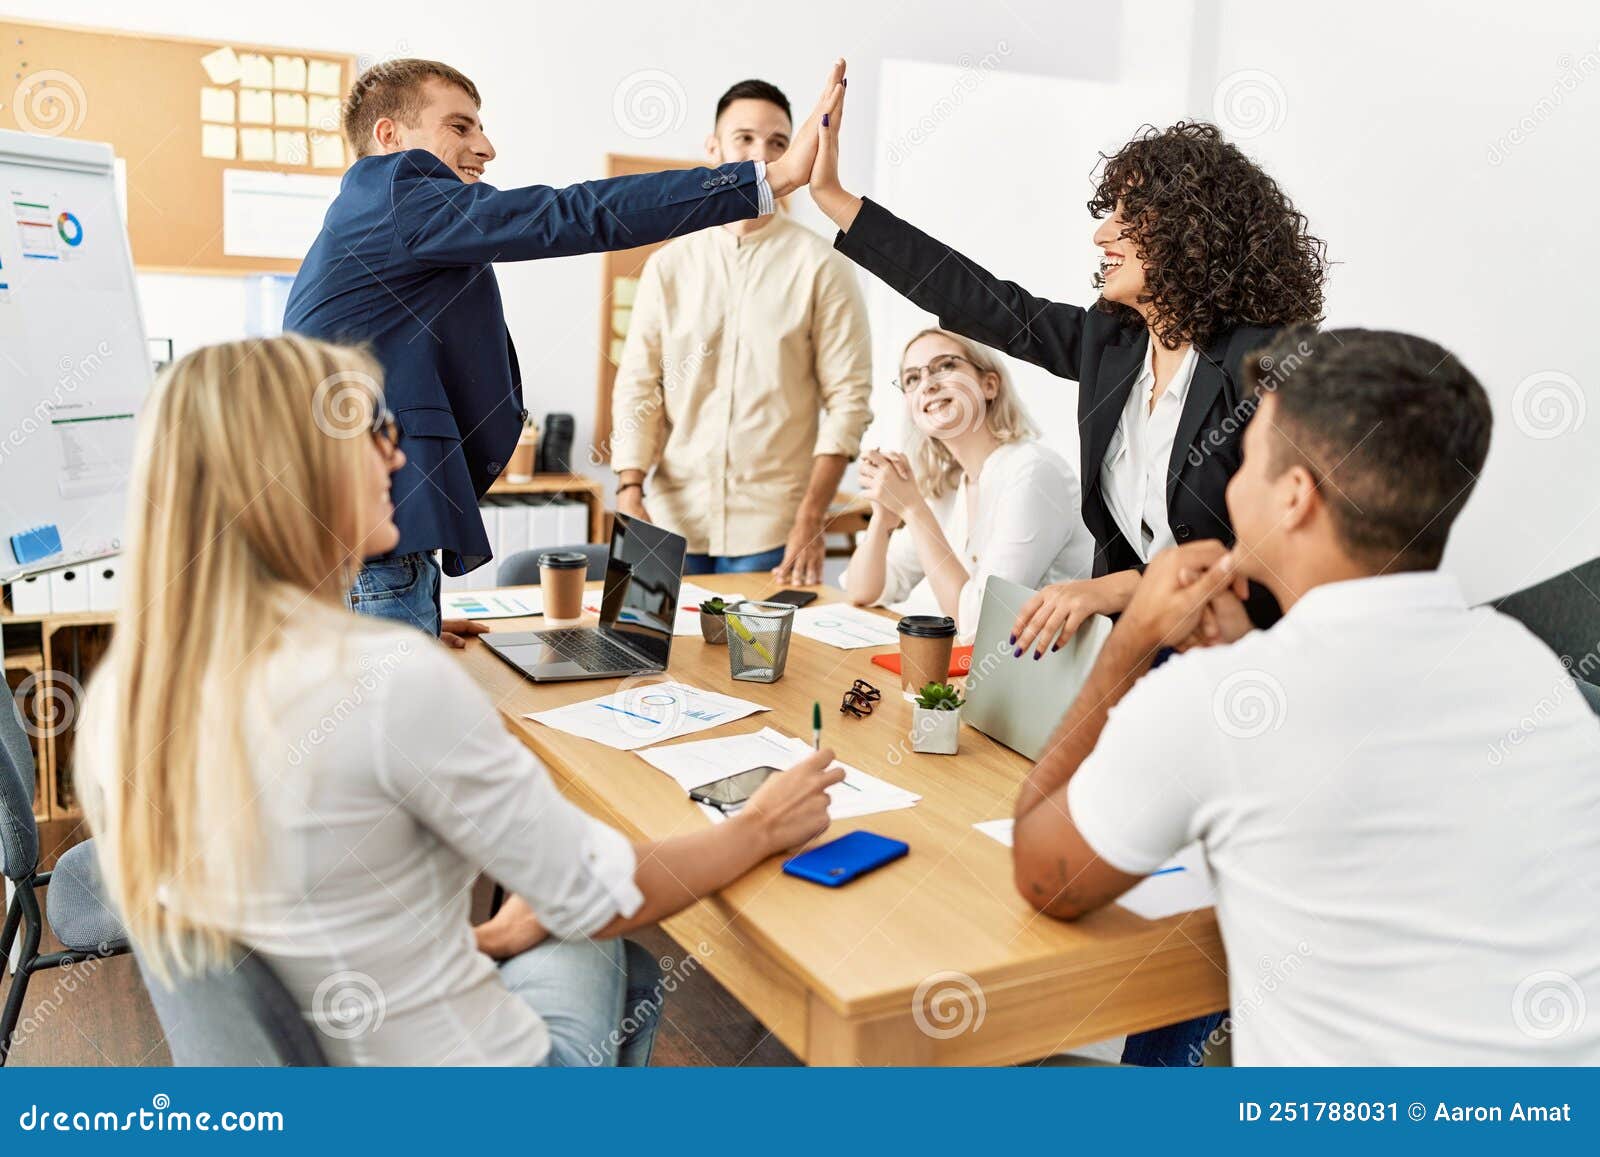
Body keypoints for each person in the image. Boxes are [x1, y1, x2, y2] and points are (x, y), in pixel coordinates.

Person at [77, 336, 846, 1066]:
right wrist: (761, 824)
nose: (398, 452)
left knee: (531, 913)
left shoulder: (129, 693)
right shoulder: (383, 680)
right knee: (597, 935)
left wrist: (486, 938)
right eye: (375, 427)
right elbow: (596, 898)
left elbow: (304, 913)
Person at [1011, 328, 1600, 1064]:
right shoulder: (1530, 666)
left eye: (1246, 458)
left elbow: (1044, 874)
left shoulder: (1212, 699)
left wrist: (1129, 645)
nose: (1228, 483)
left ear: (1293, 497)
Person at [286, 58, 845, 640]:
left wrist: (417, 620)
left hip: (377, 539)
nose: (487, 147)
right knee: (388, 724)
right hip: (370, 536)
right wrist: (765, 179)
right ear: (389, 136)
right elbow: (570, 214)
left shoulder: (382, 213)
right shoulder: (399, 194)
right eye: (460, 127)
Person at [807, 100, 1328, 656]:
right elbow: (979, 299)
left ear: (1192, 231)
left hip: (1242, 654)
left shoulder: (1262, 362)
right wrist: (835, 201)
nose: (1103, 233)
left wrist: (1118, 587)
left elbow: (1278, 541)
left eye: (1130, 214)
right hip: (1138, 645)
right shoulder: (1111, 348)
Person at [611, 78, 872, 583]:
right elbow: (639, 383)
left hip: (774, 526)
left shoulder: (822, 266)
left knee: (759, 663)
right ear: (714, 149)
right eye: (745, 139)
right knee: (659, 660)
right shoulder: (670, 264)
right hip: (668, 518)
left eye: (779, 143)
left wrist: (812, 516)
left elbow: (849, 399)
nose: (763, 154)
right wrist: (628, 489)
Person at [841, 328, 1092, 636]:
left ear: (989, 385)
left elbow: (978, 625)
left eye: (945, 366)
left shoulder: (1033, 473)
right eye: (912, 379)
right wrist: (883, 517)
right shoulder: (948, 489)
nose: (928, 385)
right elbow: (863, 591)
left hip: (1053, 674)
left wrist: (912, 509)